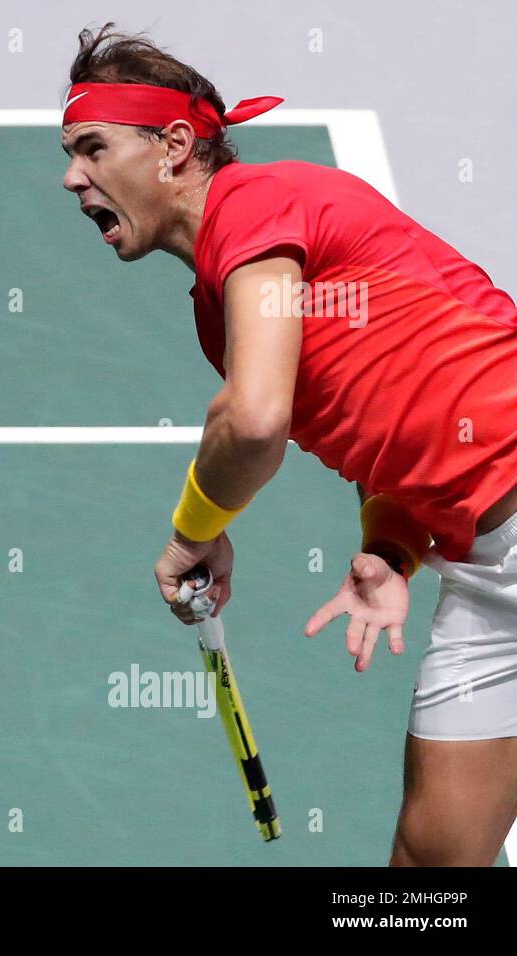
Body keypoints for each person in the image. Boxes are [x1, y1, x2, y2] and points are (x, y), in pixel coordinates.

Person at [60, 22, 517, 865]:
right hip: (490, 576)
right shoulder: (219, 301)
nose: (71, 177)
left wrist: (194, 533)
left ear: (172, 147)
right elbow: (382, 425)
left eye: (92, 148)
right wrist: (390, 546)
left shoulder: (257, 203)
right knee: (431, 865)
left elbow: (254, 419)